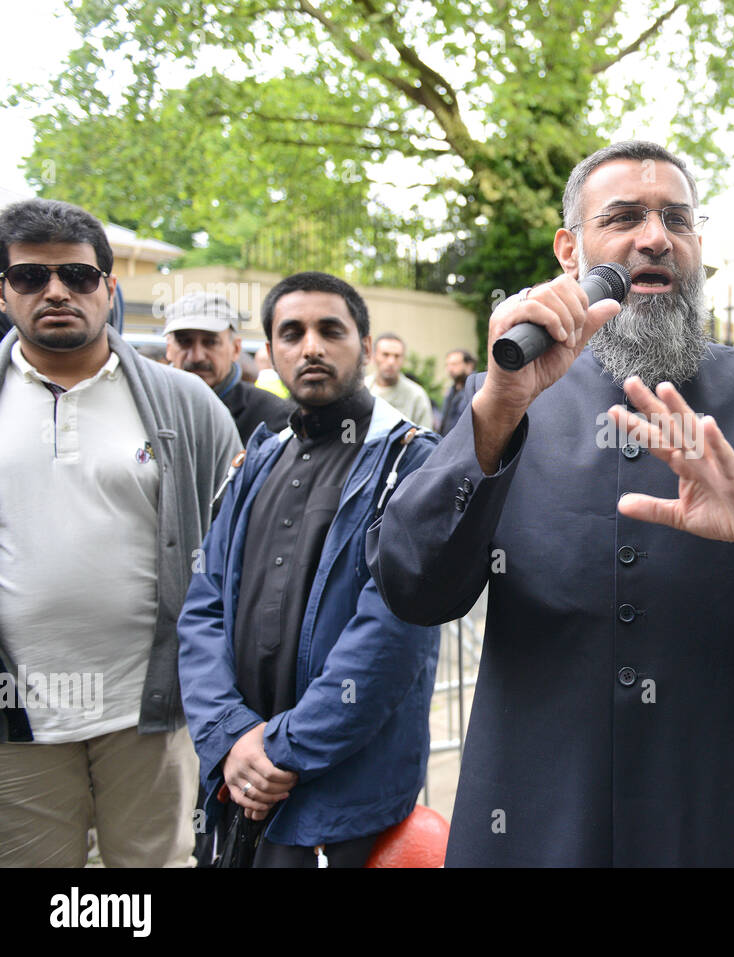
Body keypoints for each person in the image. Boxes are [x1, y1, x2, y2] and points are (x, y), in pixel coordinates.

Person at [366, 141, 734, 866]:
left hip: (723, 832)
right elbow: (412, 586)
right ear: (569, 250)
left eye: (677, 218)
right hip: (535, 830)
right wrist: (493, 416)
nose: (654, 236)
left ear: (697, 245)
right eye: (624, 216)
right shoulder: (507, 397)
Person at [0, 198, 241, 866]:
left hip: (152, 714)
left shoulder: (186, 404)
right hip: (16, 722)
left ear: (110, 288)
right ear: (3, 290)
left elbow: (234, 548)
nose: (55, 291)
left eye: (77, 276)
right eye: (30, 277)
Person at [178, 271, 440, 867]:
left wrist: (282, 751)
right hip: (238, 779)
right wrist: (230, 735)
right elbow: (204, 604)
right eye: (291, 334)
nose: (311, 347)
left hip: (340, 793)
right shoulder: (259, 459)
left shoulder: (411, 462)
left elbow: (392, 635)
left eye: (331, 330)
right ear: (270, 354)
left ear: (366, 347)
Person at [164, 291, 292, 444]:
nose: (196, 356)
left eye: (210, 342)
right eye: (184, 342)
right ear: (168, 348)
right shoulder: (147, 407)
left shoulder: (272, 416)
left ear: (236, 348)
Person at [366, 332, 434, 430]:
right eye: (385, 355)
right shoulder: (362, 389)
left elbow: (427, 438)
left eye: (397, 356)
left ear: (403, 359)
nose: (391, 362)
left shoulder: (416, 396)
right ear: (373, 356)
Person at [440, 348, 475, 434]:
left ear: (469, 365)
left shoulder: (476, 388)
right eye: (447, 365)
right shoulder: (452, 390)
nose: (450, 369)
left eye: (454, 364)